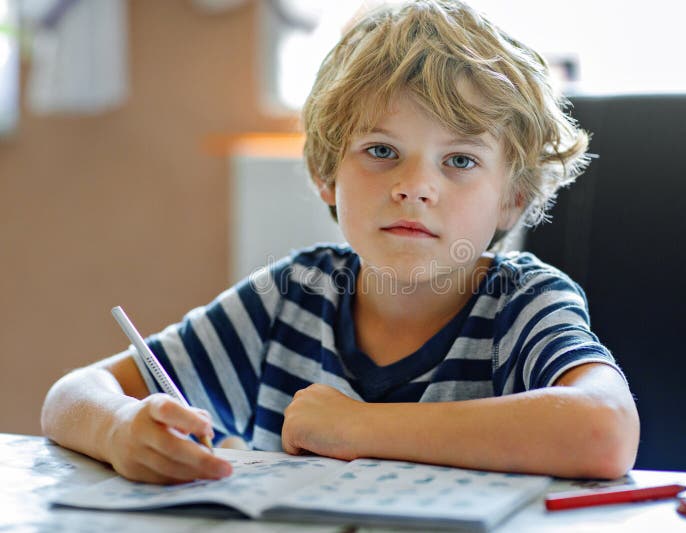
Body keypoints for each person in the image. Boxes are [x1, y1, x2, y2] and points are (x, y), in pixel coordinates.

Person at [41, 0, 639, 485]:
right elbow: (71, 397)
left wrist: (360, 427)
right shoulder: (290, 299)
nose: (414, 187)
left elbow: (605, 431)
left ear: (513, 197)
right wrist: (120, 429)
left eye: (459, 160)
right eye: (381, 151)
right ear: (327, 172)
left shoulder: (523, 304)